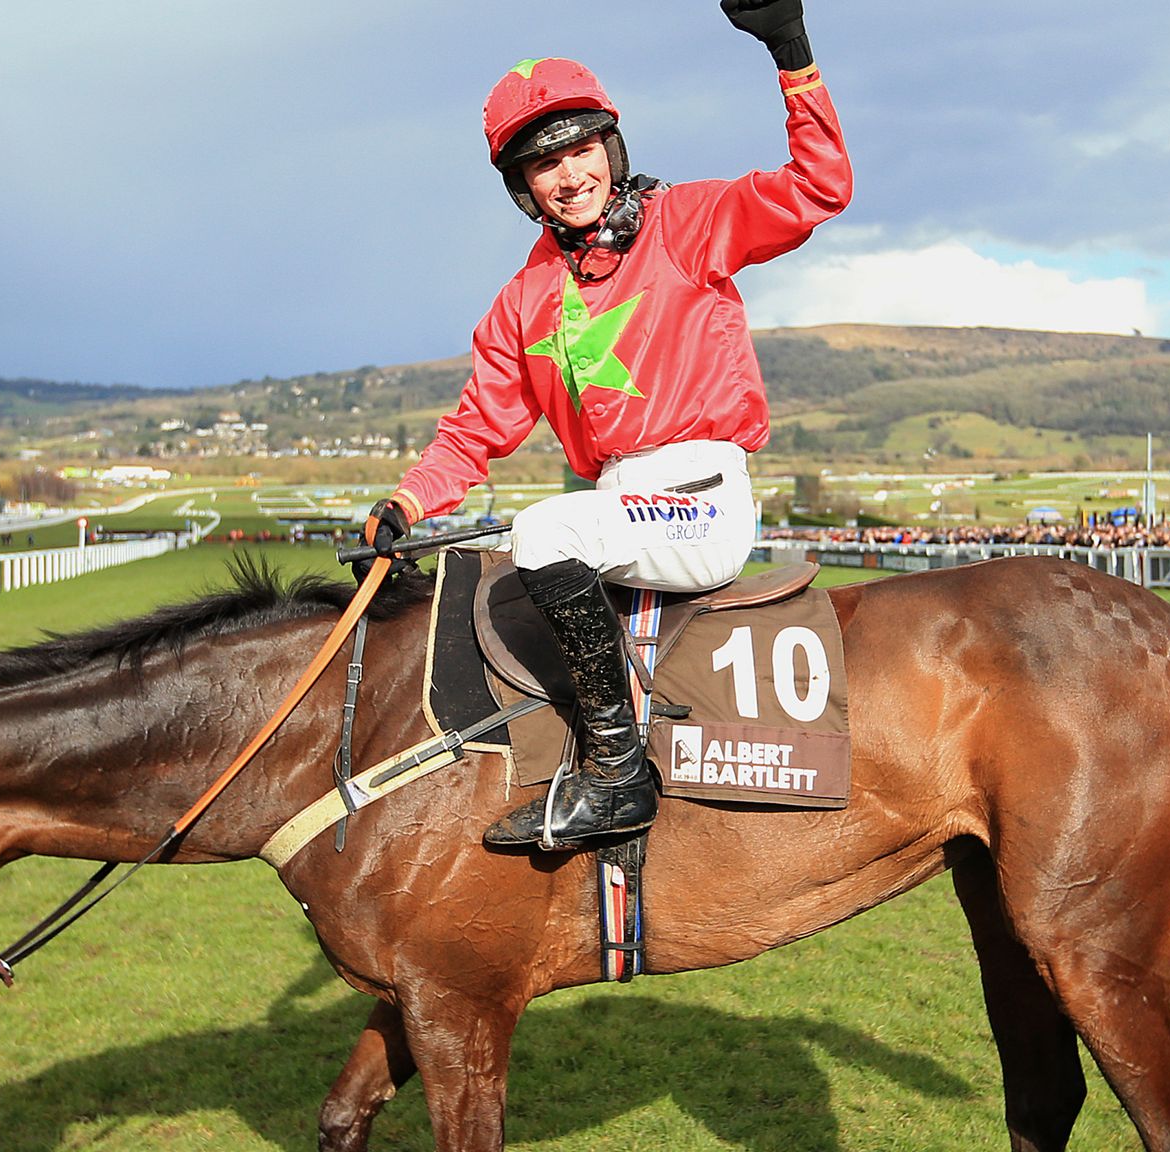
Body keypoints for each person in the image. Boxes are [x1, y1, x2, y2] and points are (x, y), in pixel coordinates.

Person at [358, 0, 851, 851]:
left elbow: (818, 188)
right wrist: (404, 506)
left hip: (699, 500)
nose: (568, 175)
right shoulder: (523, 301)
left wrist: (792, 55)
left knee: (545, 529)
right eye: (542, 164)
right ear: (522, 188)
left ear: (610, 149)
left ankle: (620, 779)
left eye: (579, 148)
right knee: (512, 558)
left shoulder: (691, 222)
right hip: (621, 508)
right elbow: (476, 428)